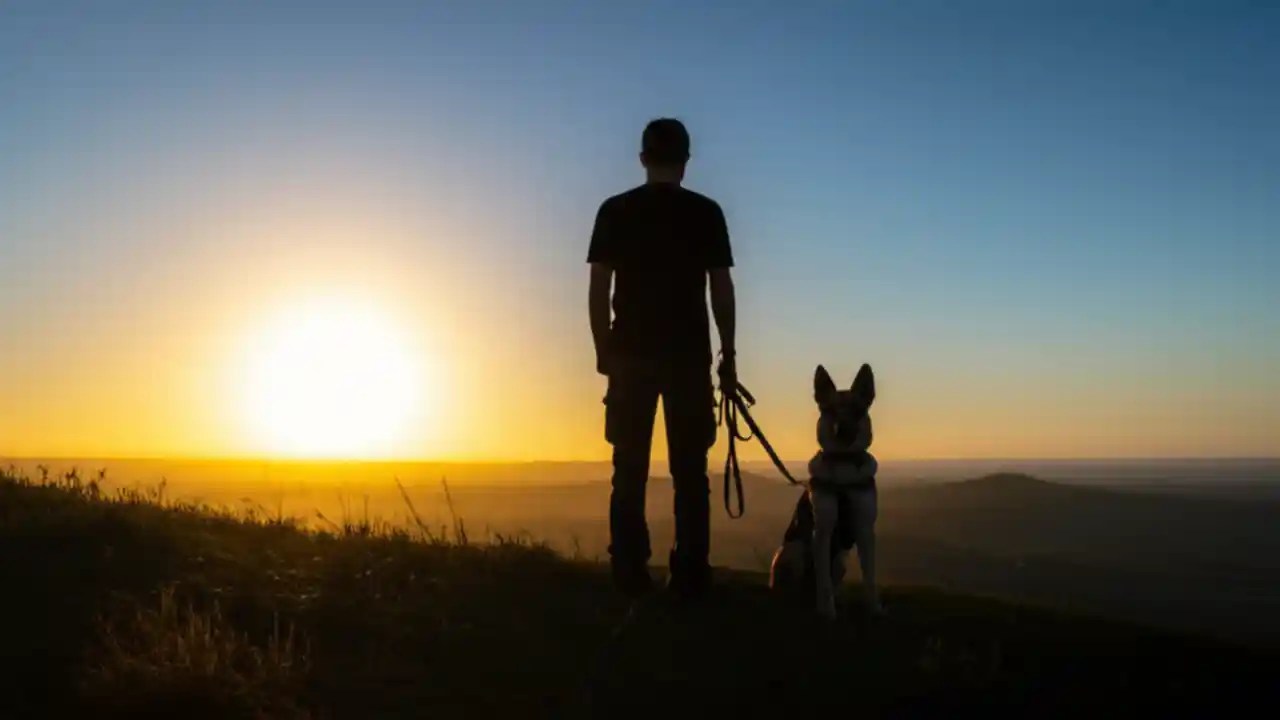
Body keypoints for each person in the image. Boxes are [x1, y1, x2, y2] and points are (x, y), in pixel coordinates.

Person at [587, 118, 737, 600]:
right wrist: (727, 355)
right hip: (689, 357)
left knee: (628, 468)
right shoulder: (706, 213)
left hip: (629, 354)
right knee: (690, 472)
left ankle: (628, 572)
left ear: (643, 158)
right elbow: (721, 290)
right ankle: (691, 575)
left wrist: (602, 350)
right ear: (686, 162)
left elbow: (598, 287)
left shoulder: (615, 211)